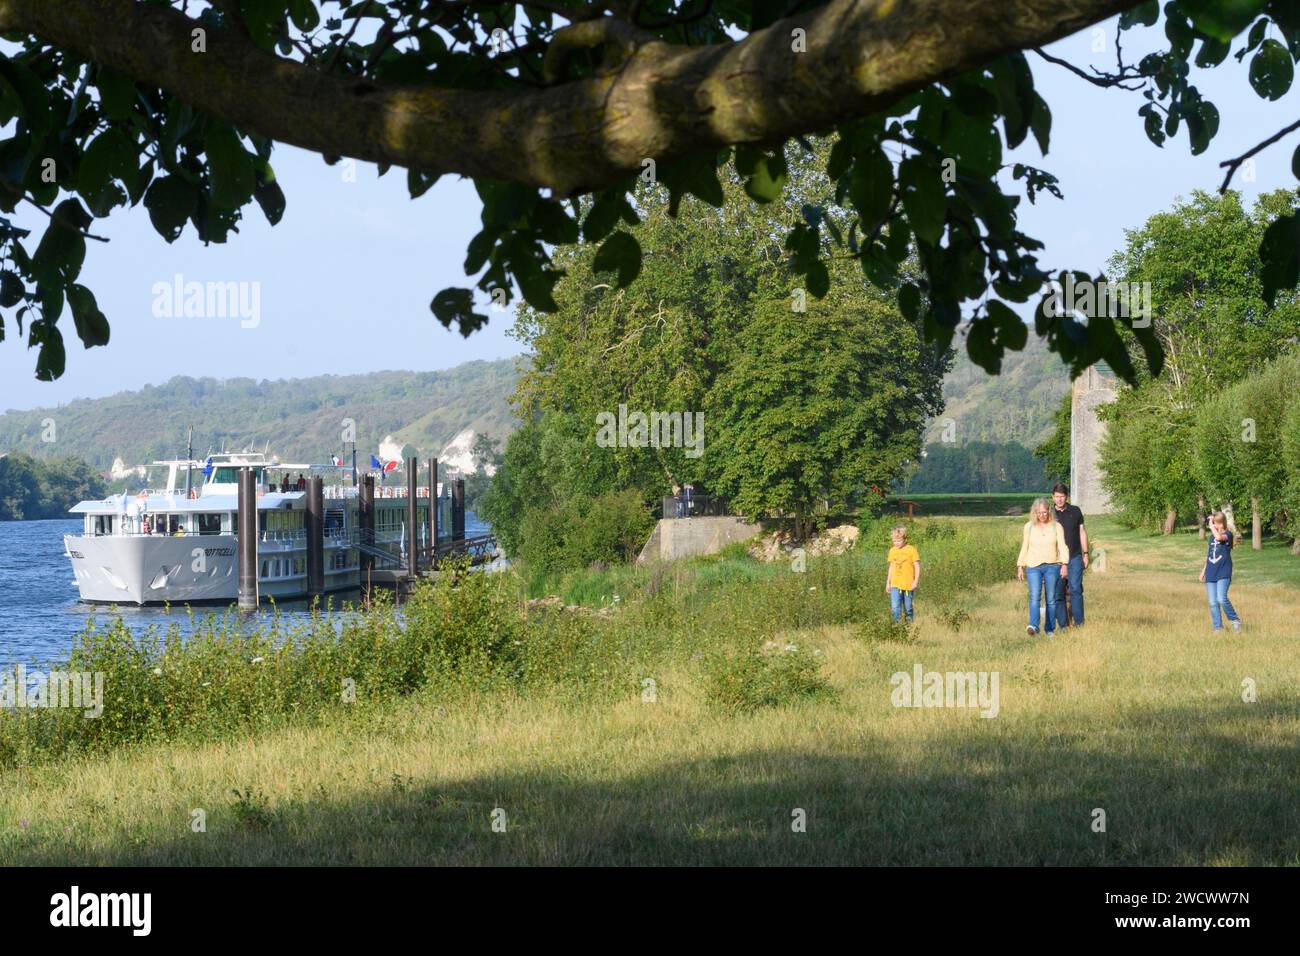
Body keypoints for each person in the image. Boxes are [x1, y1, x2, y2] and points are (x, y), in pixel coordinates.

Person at [1016, 497, 1070, 636]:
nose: (1042, 515)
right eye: (1039, 513)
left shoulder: (1056, 526)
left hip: (1052, 565)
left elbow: (1062, 546)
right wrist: (1020, 566)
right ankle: (1034, 626)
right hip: (1033, 566)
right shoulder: (1028, 527)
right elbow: (1025, 546)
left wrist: (1064, 564)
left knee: (1051, 599)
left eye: (1045, 512)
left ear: (1049, 511)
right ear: (1035, 513)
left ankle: (1050, 629)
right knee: (1034, 596)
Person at [1050, 482, 1089, 627]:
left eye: (1062, 496)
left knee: (1076, 589)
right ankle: (1063, 625)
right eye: (1057, 496)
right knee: (1058, 593)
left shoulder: (1075, 511)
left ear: (1067, 497)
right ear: (1053, 497)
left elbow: (1082, 532)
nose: (1059, 499)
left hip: (1074, 557)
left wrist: (1086, 554)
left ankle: (1079, 623)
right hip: (1055, 559)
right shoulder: (1049, 515)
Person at [1199, 511, 1242, 632]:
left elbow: (1219, 537)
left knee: (1221, 598)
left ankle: (1235, 620)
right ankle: (1218, 627)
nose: (1213, 526)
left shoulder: (1228, 535)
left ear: (1221, 523)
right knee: (1213, 602)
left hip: (1224, 571)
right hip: (1211, 571)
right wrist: (1204, 571)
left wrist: (1212, 525)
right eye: (1213, 524)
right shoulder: (1211, 537)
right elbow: (1210, 555)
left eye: (1215, 523)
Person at [885, 525, 920, 623]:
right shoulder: (892, 550)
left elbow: (917, 566)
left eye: (899, 541)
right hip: (895, 584)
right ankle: (896, 628)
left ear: (905, 539)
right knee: (895, 607)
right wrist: (888, 582)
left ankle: (908, 627)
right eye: (894, 541)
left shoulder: (911, 550)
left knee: (908, 608)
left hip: (908, 585)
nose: (896, 543)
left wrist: (915, 582)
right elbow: (891, 567)